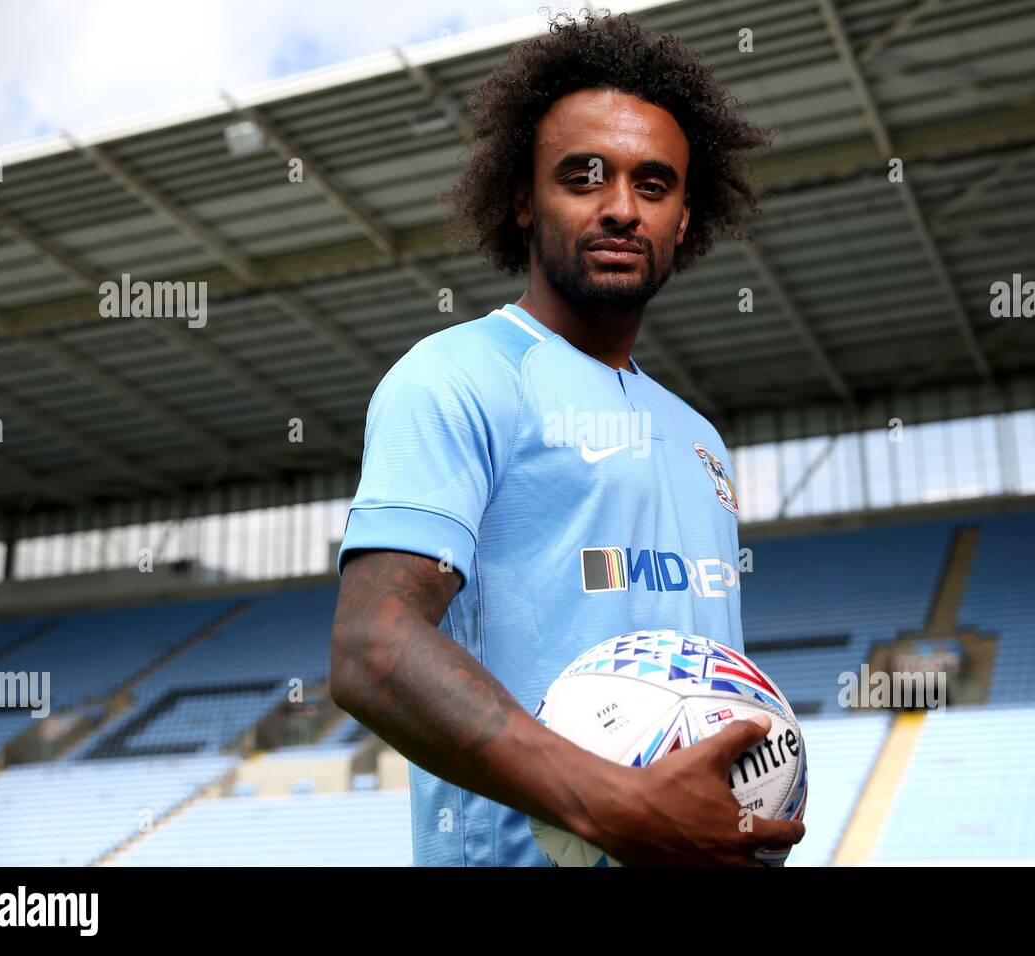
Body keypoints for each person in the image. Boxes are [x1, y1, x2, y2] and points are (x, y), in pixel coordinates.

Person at [330, 10, 805, 866]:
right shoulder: (459, 377)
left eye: (653, 185)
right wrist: (615, 804)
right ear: (522, 199)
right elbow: (373, 649)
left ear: (687, 216)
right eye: (583, 177)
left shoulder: (699, 439)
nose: (621, 207)